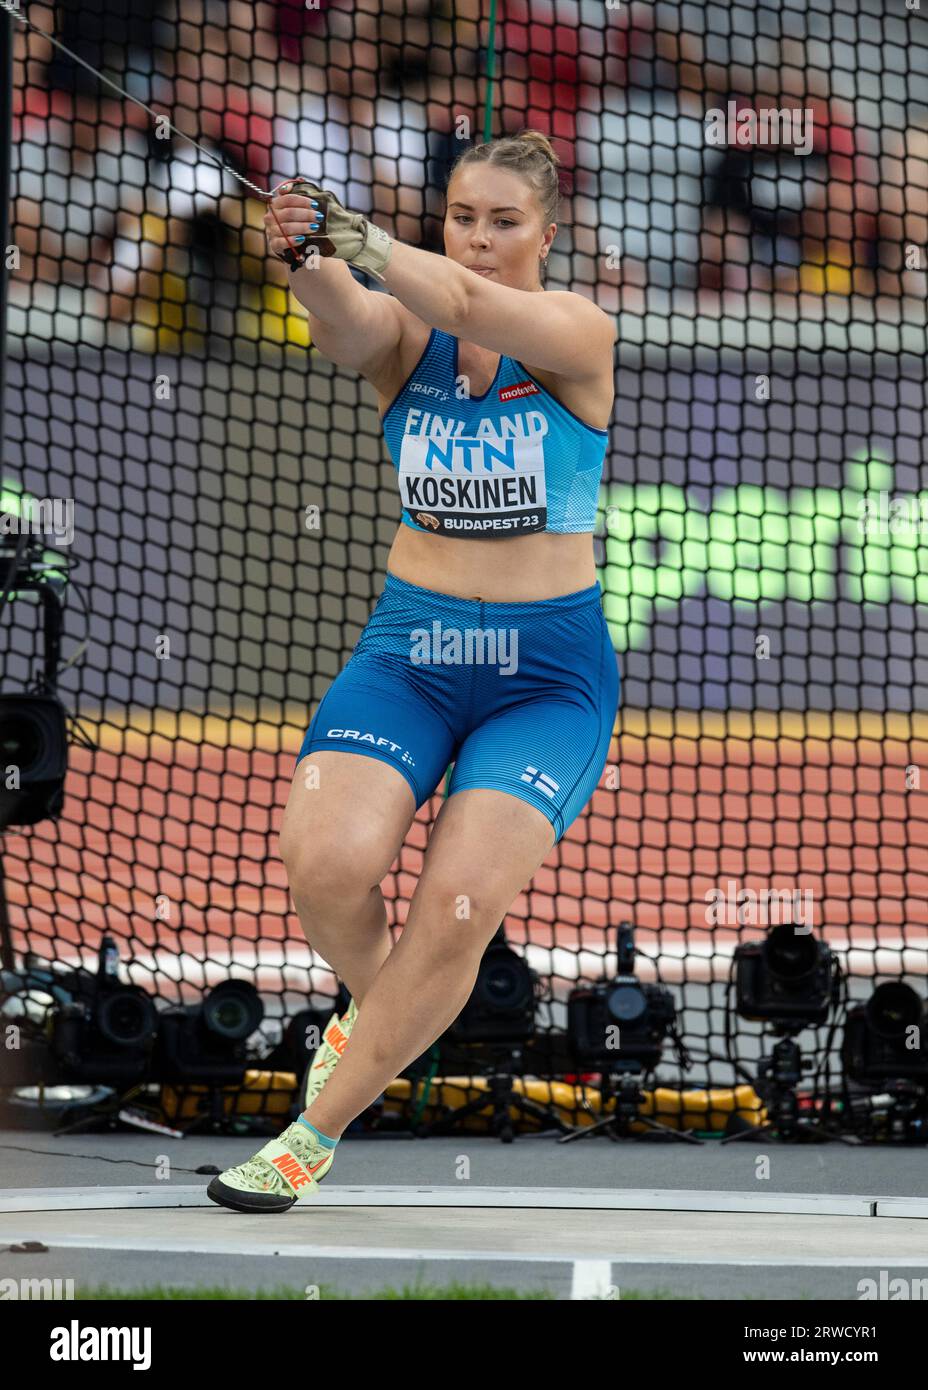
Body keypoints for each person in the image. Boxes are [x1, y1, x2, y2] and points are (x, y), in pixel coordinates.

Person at [208, 129, 618, 1212]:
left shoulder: (574, 332)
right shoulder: (407, 335)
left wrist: (374, 243)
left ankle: (313, 1128)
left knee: (457, 907)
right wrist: (311, 257)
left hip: (546, 678)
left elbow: (478, 308)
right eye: (462, 218)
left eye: (504, 221)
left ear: (548, 230)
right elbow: (345, 321)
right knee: (325, 863)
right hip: (415, 650)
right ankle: (379, 1009)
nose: (479, 242)